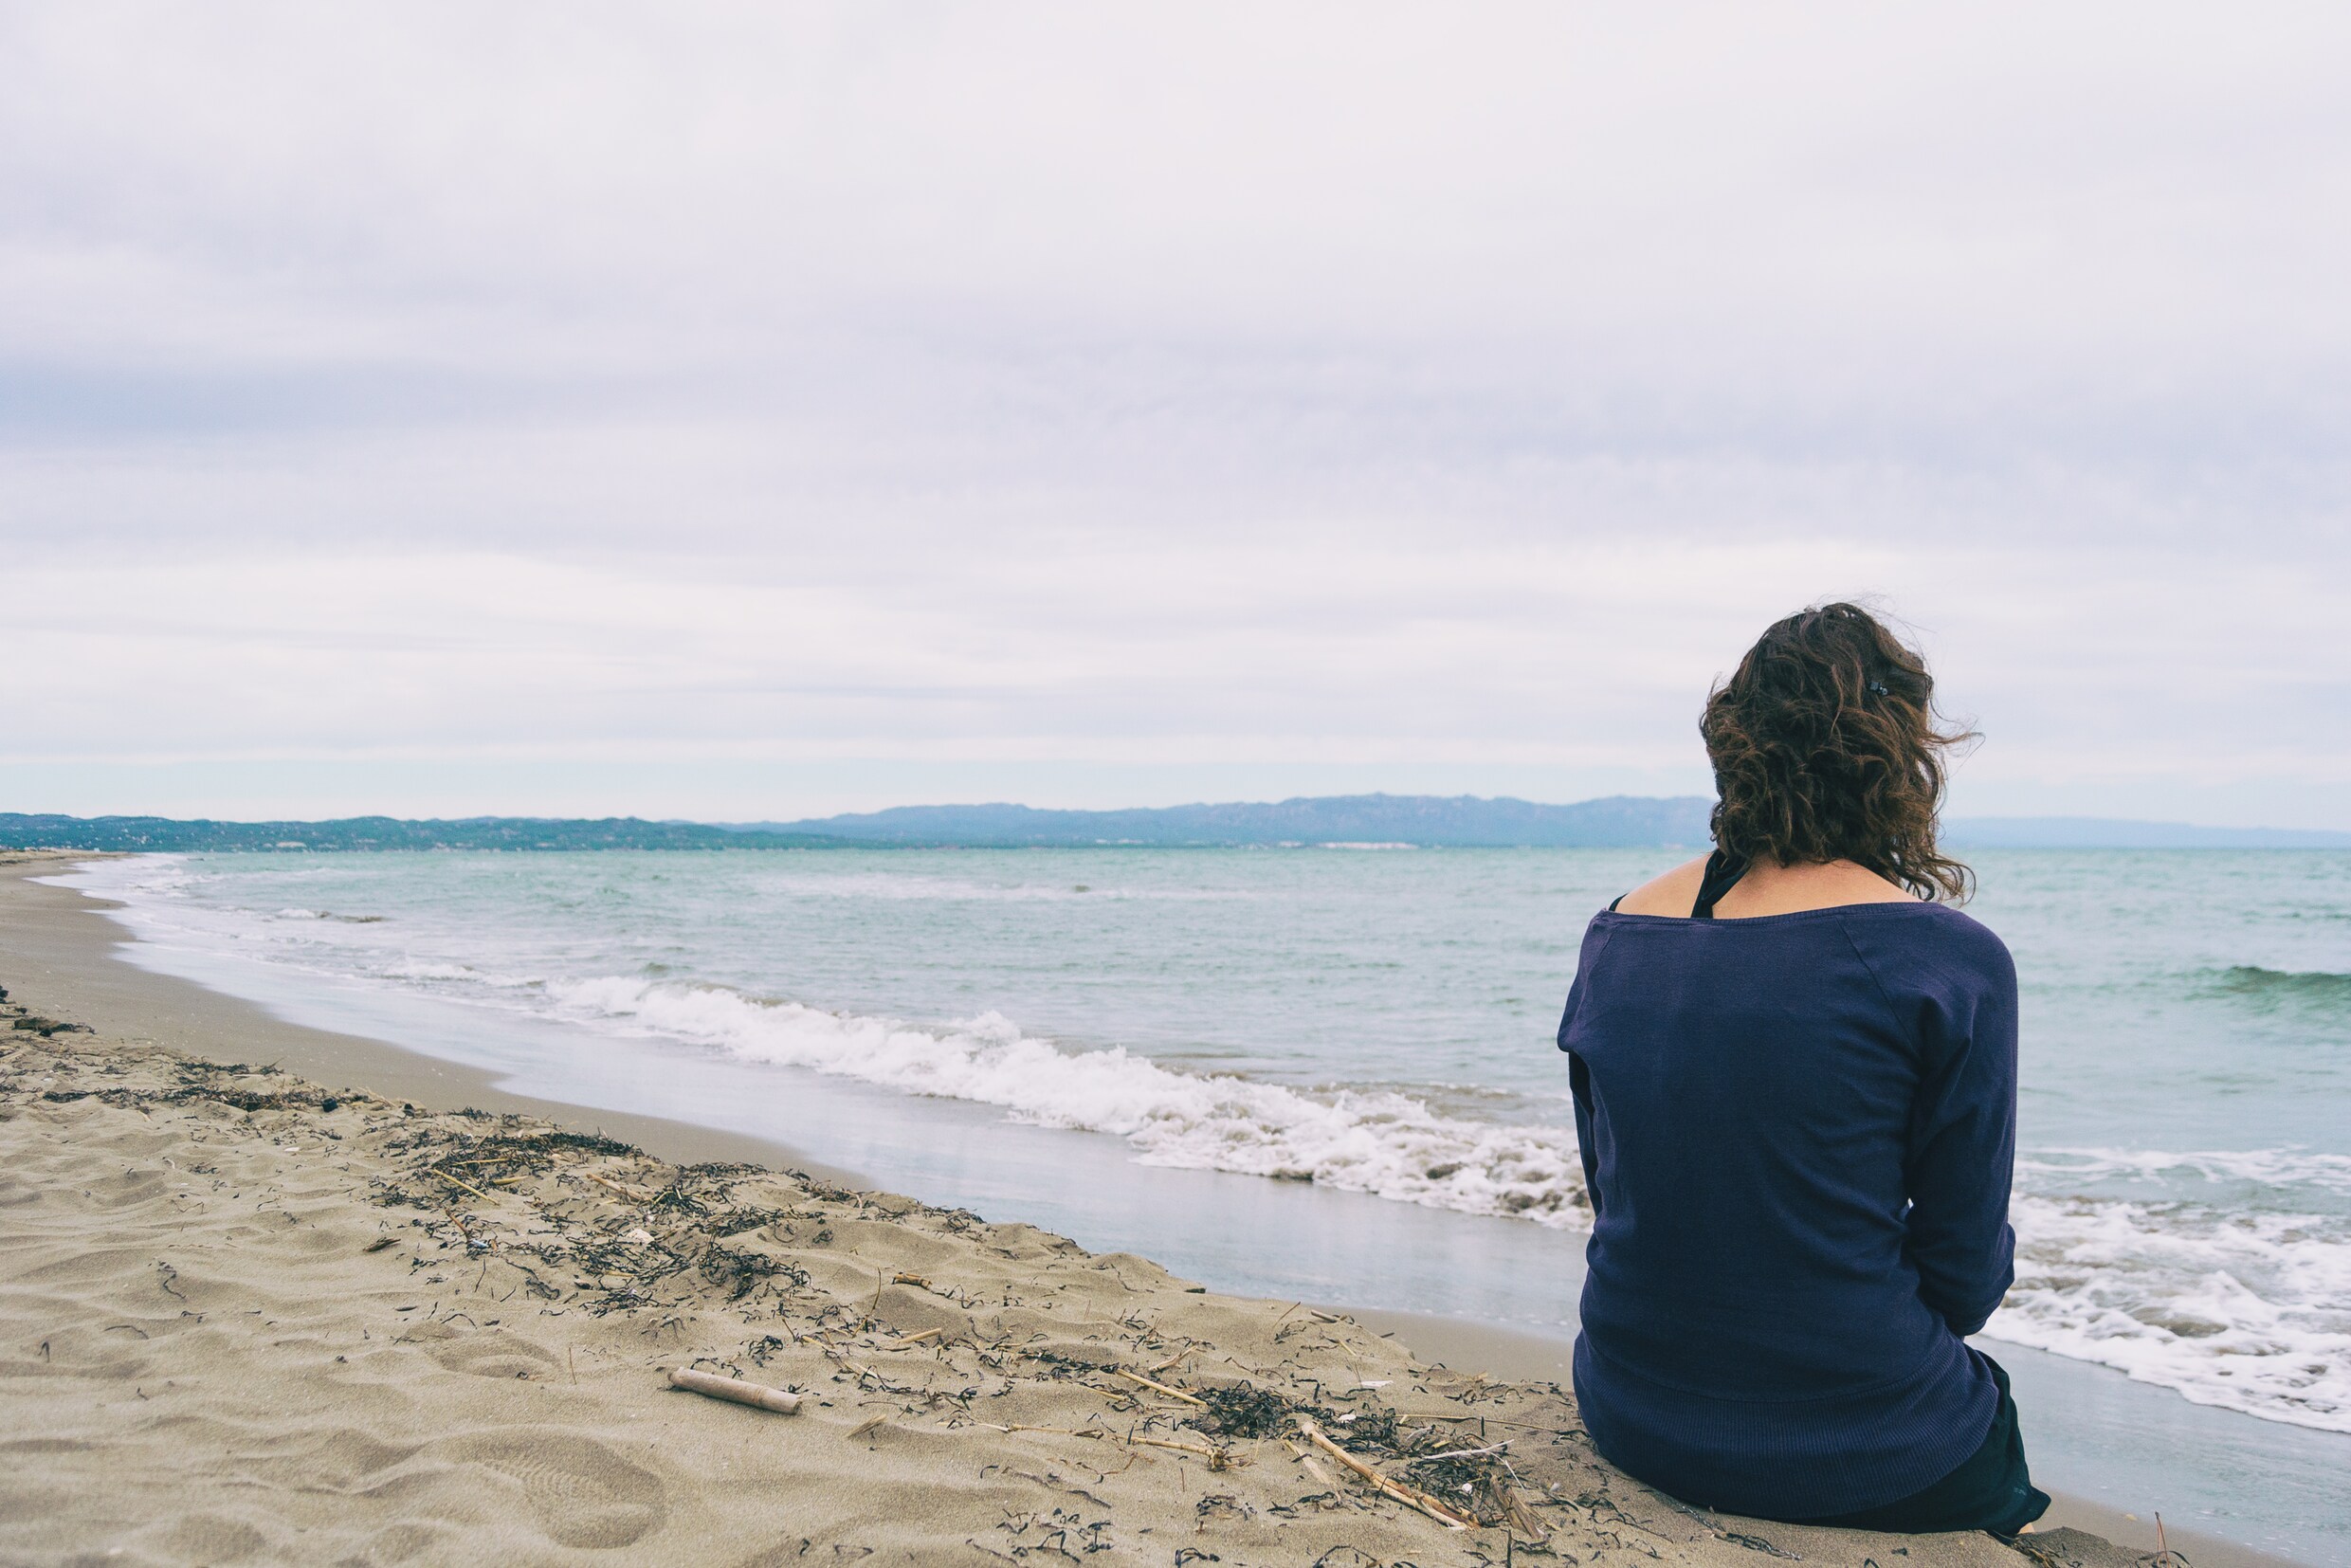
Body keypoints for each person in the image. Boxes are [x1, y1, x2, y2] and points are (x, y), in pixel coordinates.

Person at [1556, 602, 2049, 1535]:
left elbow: (1616, 1188)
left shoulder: (1617, 931)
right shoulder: (1946, 960)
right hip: (1863, 1445)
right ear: (1897, 761)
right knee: (1984, 1421)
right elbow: (1964, 1272)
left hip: (1628, 1404)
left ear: (1733, 746)